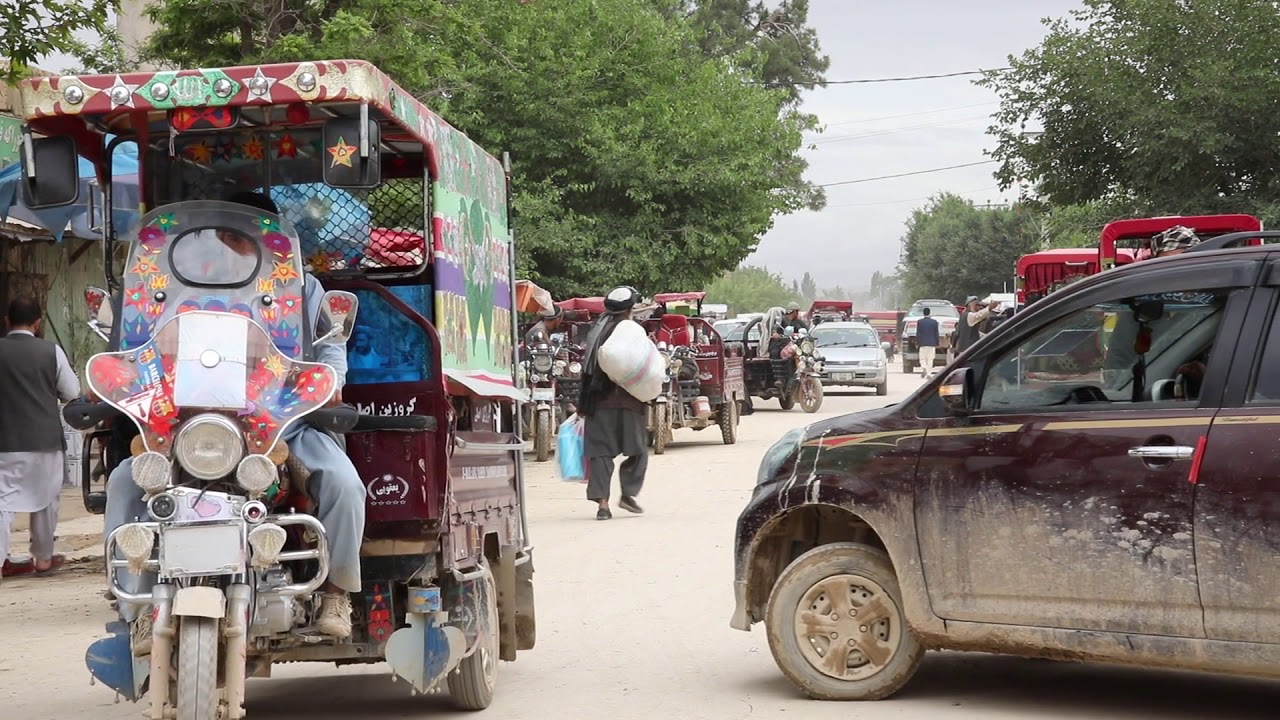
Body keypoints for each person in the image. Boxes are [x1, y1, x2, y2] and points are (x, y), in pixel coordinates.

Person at [104, 190, 364, 650]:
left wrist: (328, 385)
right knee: (125, 484)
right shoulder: (176, 288)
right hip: (184, 429)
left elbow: (328, 350)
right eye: (227, 235)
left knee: (344, 485)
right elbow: (139, 343)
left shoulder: (302, 288)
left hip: (282, 424)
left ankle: (335, 593)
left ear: (274, 240)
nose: (235, 245)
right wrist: (119, 375)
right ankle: (140, 606)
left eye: (246, 236)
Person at [0, 298, 81, 580]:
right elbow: (72, 391)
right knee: (46, 498)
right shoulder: (51, 352)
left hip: (4, 442)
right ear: (37, 323)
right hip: (44, 440)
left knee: (2, 503)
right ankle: (44, 559)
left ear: (7, 321)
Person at [577, 286, 648, 521]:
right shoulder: (634, 331)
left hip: (598, 401)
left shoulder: (596, 331)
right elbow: (646, 364)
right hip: (629, 401)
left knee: (600, 453)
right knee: (638, 450)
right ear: (630, 309)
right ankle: (628, 493)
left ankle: (603, 505)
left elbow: (587, 370)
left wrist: (582, 404)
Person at [915, 307, 940, 378]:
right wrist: (937, 342)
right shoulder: (934, 322)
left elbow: (918, 333)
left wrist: (917, 342)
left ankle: (924, 368)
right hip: (932, 343)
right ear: (929, 313)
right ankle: (929, 373)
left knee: (922, 358)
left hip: (922, 343)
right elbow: (936, 333)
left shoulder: (920, 322)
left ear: (923, 313)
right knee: (930, 359)